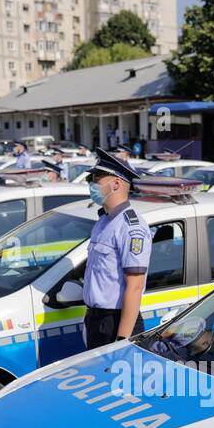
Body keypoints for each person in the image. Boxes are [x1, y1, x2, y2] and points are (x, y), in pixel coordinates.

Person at [82, 147, 152, 349]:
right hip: (96, 320)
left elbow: (135, 286)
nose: (91, 185)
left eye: (96, 179)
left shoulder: (131, 226)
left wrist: (122, 340)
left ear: (116, 183)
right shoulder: (103, 221)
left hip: (116, 323)